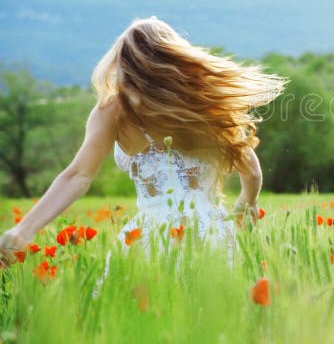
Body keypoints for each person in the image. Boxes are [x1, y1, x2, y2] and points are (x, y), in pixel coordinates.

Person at [0, 17, 286, 267]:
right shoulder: (204, 105)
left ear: (123, 64)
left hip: (152, 238)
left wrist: (24, 230)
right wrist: (247, 202)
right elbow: (251, 171)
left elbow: (77, 176)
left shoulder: (113, 111)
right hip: (212, 236)